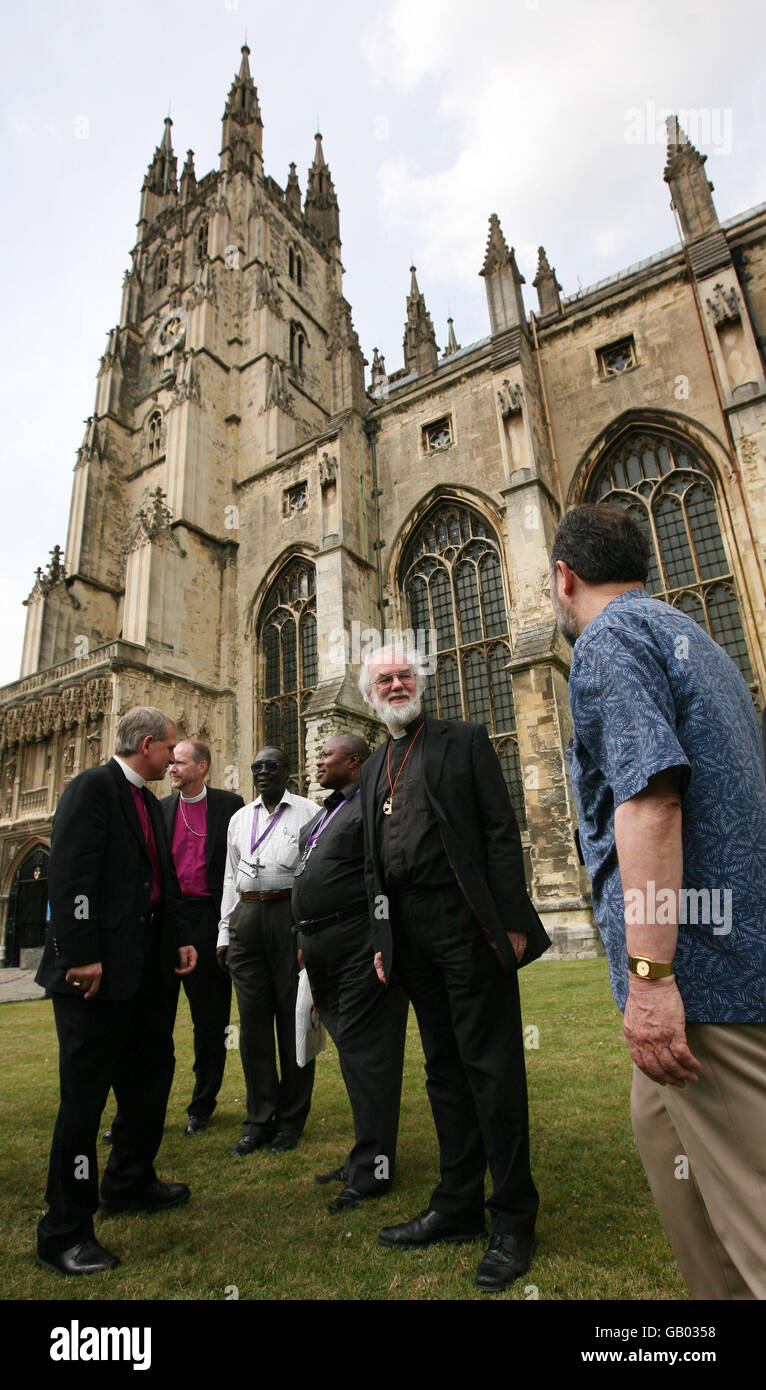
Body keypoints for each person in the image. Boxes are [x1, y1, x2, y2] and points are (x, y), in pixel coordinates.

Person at [549, 502, 766, 1300]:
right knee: (677, 1175)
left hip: (705, 985)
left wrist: (651, 976)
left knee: (754, 1207)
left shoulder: (607, 641)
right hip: (728, 959)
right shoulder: (691, 637)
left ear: (564, 578)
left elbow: (651, 800)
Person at [358, 645, 550, 1292]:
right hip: (409, 936)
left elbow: (500, 828)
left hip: (466, 924)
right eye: (383, 678)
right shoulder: (372, 766)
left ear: (420, 683)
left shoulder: (462, 740)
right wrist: (383, 937)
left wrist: (515, 921)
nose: (395, 683)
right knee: (443, 1072)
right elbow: (371, 864)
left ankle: (514, 1218)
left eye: (404, 674)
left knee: (491, 1070)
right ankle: (458, 1204)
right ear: (369, 693)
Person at [35, 706, 198, 1277]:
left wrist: (177, 937)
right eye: (171, 750)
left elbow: (164, 880)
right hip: (95, 975)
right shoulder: (91, 790)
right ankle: (64, 1232)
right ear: (147, 745)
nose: (175, 759)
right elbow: (71, 877)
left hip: (144, 971)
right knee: (84, 1104)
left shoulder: (150, 804)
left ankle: (129, 1181)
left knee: (149, 1078)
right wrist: (79, 955)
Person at [293, 734, 409, 1214]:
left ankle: (374, 1171)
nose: (317, 759)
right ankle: (365, 1152)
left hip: (359, 948)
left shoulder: (374, 808)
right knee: (350, 1058)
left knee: (370, 1059)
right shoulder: (326, 813)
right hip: (321, 951)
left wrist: (381, 943)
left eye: (327, 754)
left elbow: (384, 879)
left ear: (355, 761)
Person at [217, 747, 320, 1155]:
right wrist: (224, 933)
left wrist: (307, 935)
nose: (262, 773)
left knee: (294, 1021)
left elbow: (313, 877)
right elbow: (229, 878)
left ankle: (291, 1121)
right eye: (256, 767)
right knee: (253, 1024)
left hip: (287, 916)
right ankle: (259, 1118)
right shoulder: (241, 819)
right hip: (247, 918)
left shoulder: (309, 813)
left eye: (271, 766)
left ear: (287, 771)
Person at [161, 739, 244, 1134]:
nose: (172, 768)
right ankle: (143, 1111)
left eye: (179, 763)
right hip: (166, 920)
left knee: (210, 1022)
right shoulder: (159, 809)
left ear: (202, 767)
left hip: (209, 919)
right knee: (151, 1022)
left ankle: (202, 1106)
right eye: (171, 763)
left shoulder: (229, 805)